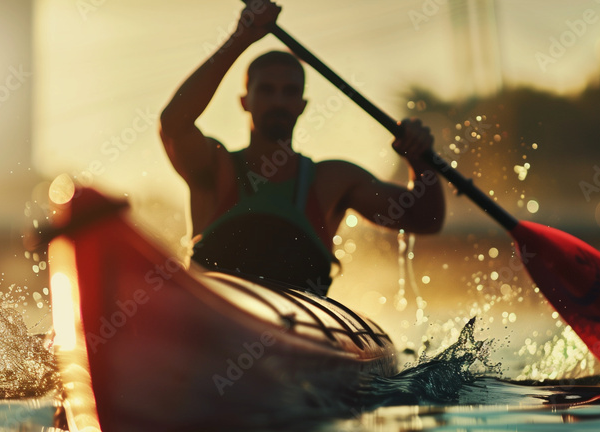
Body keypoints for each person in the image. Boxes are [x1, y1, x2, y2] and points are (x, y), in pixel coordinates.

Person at [159, 0, 444, 295]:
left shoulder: (332, 181)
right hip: (213, 314)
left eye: (290, 92)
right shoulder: (216, 167)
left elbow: (425, 220)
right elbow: (173, 124)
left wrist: (420, 161)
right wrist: (239, 39)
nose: (278, 101)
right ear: (245, 101)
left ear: (302, 105)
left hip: (292, 320)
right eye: (266, 90)